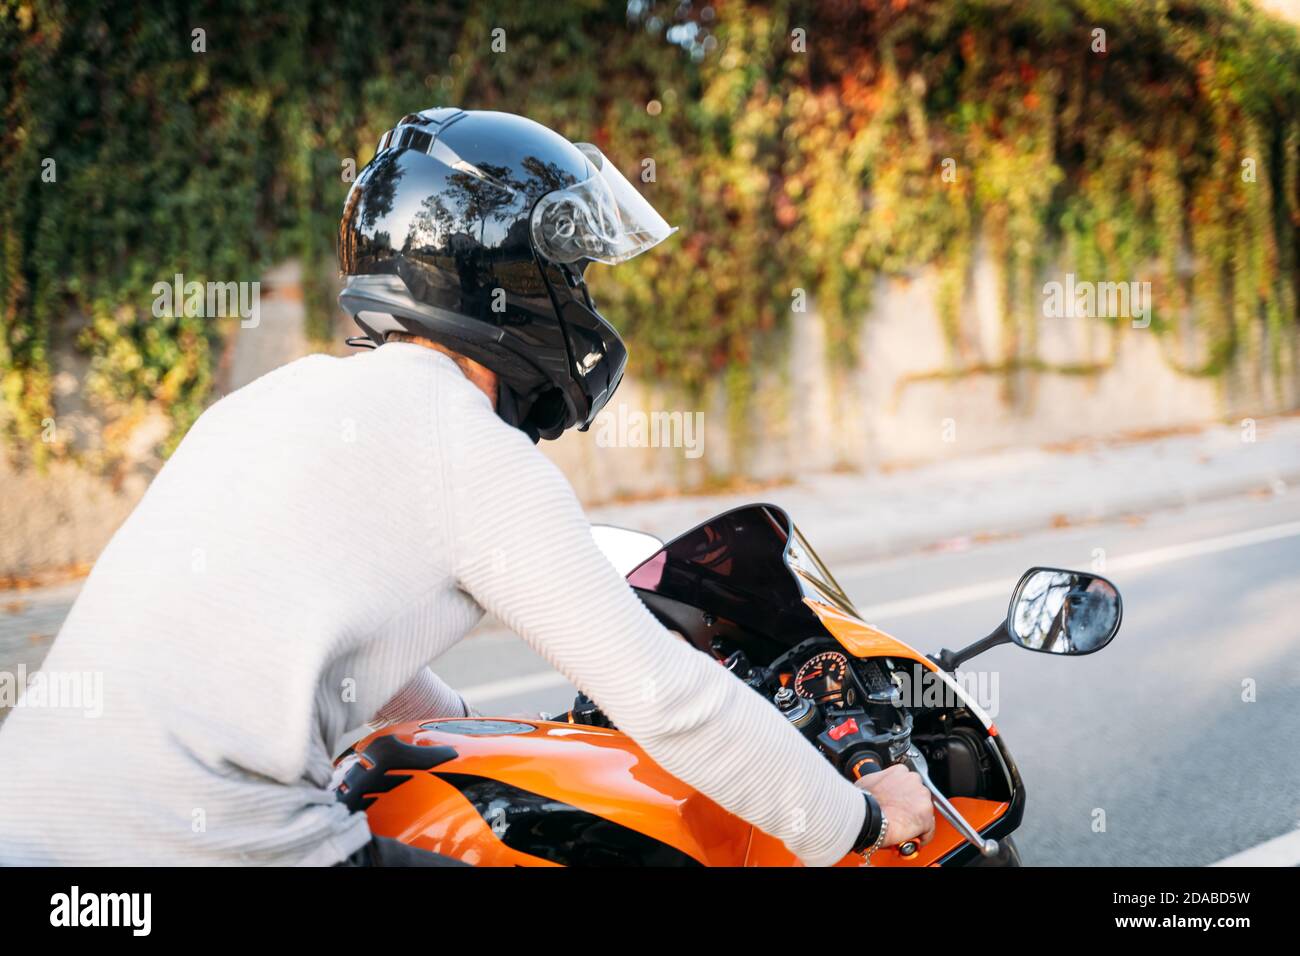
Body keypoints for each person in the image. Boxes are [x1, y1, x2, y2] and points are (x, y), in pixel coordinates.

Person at [0, 108, 934, 866]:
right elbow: (667, 698)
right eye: (571, 273)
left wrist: (486, 729)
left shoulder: (268, 403)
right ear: (508, 280)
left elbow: (342, 643)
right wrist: (853, 818)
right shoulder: (473, 454)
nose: (583, 302)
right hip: (219, 847)